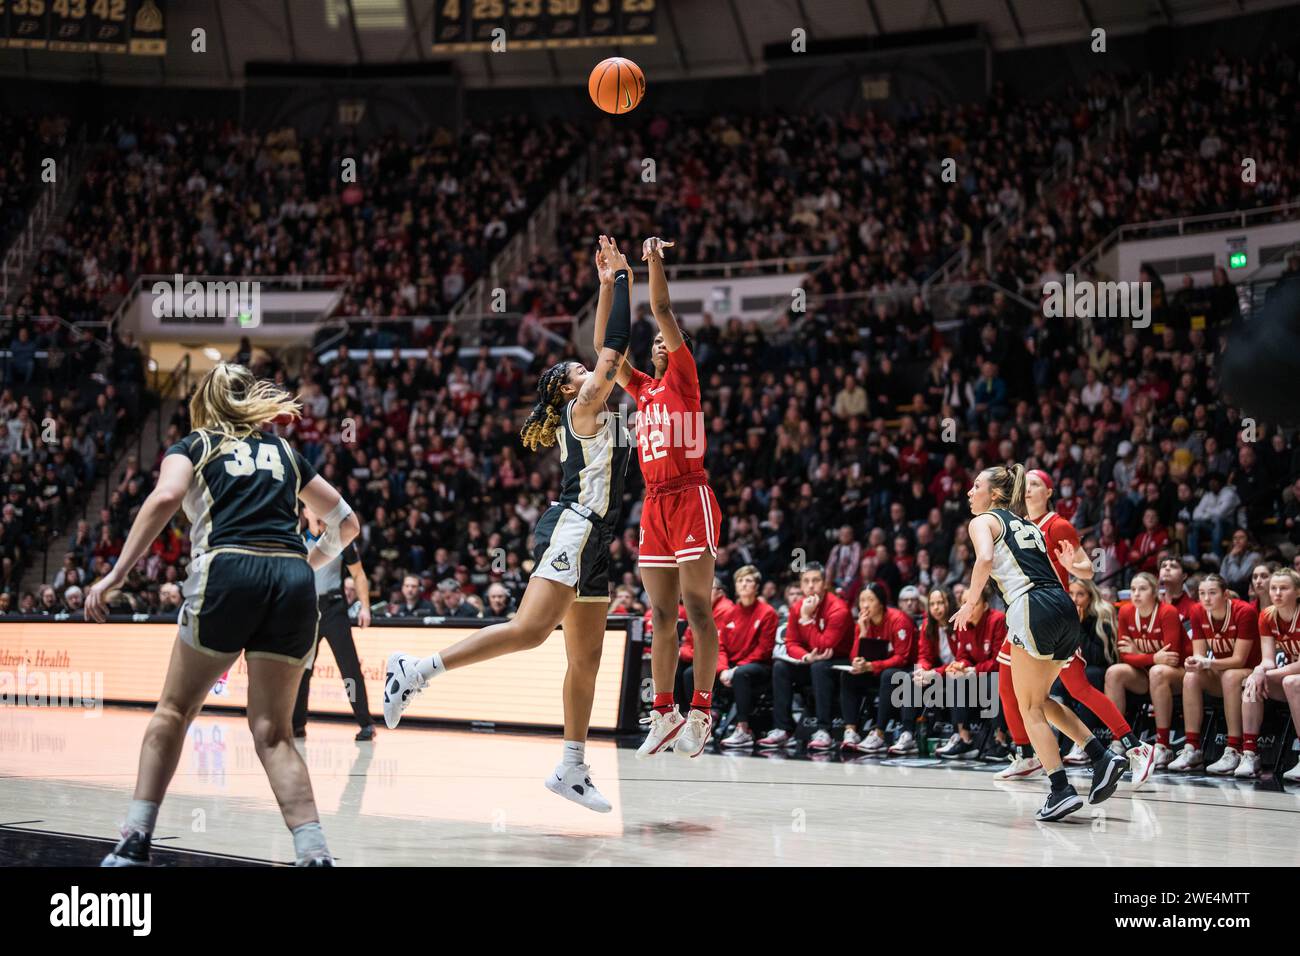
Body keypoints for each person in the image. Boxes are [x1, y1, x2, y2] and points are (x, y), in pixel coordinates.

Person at [382, 236, 634, 813]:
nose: (588, 367)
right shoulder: (584, 406)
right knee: (530, 631)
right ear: (568, 389)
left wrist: (602, 286)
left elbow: (602, 347)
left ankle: (572, 766)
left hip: (597, 540)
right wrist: (622, 281)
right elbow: (612, 351)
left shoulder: (589, 398)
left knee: (587, 659)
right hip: (574, 526)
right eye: (579, 369)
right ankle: (415, 671)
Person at [86, 363, 358, 866]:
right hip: (293, 582)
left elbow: (166, 496)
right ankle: (315, 853)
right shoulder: (285, 452)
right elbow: (346, 523)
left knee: (174, 710)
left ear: (204, 401)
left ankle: (135, 840)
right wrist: (306, 561)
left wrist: (115, 574)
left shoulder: (195, 444)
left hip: (228, 571)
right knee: (275, 734)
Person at [953, 465, 1125, 822]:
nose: (970, 492)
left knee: (1027, 706)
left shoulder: (983, 521)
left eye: (975, 486)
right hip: (1063, 605)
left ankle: (1060, 790)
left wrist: (969, 603)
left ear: (994, 494)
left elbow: (985, 559)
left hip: (1031, 606)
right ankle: (1101, 756)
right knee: (1042, 701)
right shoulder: (1028, 524)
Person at [624, 237, 725, 760]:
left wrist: (651, 261)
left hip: (690, 495)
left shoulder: (684, 379)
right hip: (654, 504)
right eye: (659, 342)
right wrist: (613, 284)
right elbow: (607, 350)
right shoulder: (642, 390)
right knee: (660, 616)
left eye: (671, 339)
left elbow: (661, 308)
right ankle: (664, 710)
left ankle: (702, 712)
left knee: (697, 610)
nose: (664, 341)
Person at [997, 469, 1154, 785]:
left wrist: (1074, 567)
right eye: (1024, 486)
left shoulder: (1059, 525)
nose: (1028, 490)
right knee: (1009, 685)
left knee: (1077, 688)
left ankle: (1135, 747)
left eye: (1036, 485)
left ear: (1050, 491)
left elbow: (1087, 568)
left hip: (1051, 617)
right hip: (1026, 615)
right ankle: (1026, 752)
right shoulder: (1021, 526)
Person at [292, 504, 376, 742]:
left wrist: (366, 607)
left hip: (334, 609)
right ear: (304, 513)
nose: (315, 512)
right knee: (302, 670)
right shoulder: (296, 541)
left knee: (349, 668)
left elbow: (358, 574)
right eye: (310, 508)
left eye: (317, 508)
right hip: (306, 610)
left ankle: (366, 723)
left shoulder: (338, 540)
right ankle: (297, 725)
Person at [1169, 573, 1261, 773]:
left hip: (1250, 672)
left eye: (1212, 593)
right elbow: (1200, 656)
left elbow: (1239, 660)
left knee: (1230, 675)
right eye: (1202, 593)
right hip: (1221, 672)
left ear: (1225, 594)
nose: (1206, 598)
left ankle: (1234, 749)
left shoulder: (1244, 612)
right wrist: (1193, 662)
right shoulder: (1197, 611)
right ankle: (1192, 748)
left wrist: (1207, 663)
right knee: (1191, 676)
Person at [757, 564, 852, 749]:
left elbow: (825, 646)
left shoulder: (838, 608)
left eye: (815, 581)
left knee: (820, 666)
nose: (810, 586)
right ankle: (783, 728)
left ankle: (824, 730)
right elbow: (791, 643)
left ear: (824, 584)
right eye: (806, 581)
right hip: (812, 660)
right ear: (801, 585)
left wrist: (807, 619)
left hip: (839, 662)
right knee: (780, 667)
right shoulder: (798, 607)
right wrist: (806, 657)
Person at [1104, 572, 1187, 770]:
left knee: (1158, 671)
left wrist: (1139, 653)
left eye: (1142, 589)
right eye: (1133, 589)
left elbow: (1172, 656)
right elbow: (1124, 655)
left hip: (1178, 674)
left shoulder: (1168, 612)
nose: (1136, 594)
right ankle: (1118, 741)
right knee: (1114, 672)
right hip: (1146, 672)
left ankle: (1163, 745)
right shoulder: (1125, 612)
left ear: (1155, 592)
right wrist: (1152, 657)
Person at [912, 584, 1003, 759]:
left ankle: (1000, 741)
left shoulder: (997, 620)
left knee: (995, 680)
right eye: (964, 603)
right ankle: (964, 739)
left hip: (996, 673)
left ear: (985, 606)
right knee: (955, 678)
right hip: (975, 675)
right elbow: (962, 655)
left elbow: (999, 660)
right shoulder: (963, 622)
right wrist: (960, 666)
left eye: (973, 603)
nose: (967, 607)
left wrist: (973, 669)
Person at [838, 584, 919, 753]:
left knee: (888, 675)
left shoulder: (898, 620)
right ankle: (851, 731)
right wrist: (863, 632)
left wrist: (871, 666)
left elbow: (902, 657)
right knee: (849, 675)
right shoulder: (862, 622)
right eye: (862, 600)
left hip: (906, 669)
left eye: (870, 600)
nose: (865, 605)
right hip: (877, 669)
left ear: (881, 603)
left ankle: (879, 734)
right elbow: (855, 658)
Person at [1237, 568, 1300, 779]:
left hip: (1295, 678)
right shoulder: (1267, 616)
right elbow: (1268, 660)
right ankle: (1249, 754)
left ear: (1298, 592)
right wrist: (1258, 671)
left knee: (1292, 682)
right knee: (1251, 682)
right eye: (1274, 588)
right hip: (1291, 676)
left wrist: (1269, 674)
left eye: (1284, 588)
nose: (1277, 593)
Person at [715, 565, 778, 749]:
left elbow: (764, 650)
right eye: (740, 581)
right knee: (692, 671)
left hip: (760, 666)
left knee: (742, 674)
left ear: (757, 586)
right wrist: (723, 669)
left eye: (748, 580)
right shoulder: (730, 613)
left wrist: (734, 670)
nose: (743, 584)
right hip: (732, 666)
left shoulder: (767, 612)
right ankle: (698, 720)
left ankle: (743, 730)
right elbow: (720, 647)